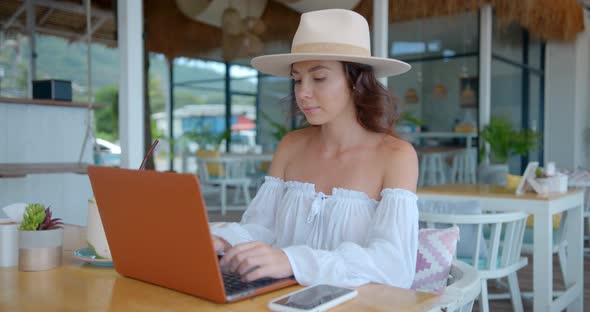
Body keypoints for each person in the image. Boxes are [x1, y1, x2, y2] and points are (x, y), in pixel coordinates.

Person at [211, 8, 419, 289]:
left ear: (356, 82)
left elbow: (393, 265)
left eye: (318, 77)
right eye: (297, 79)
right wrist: (224, 240)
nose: (302, 92)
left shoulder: (396, 156)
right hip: (274, 300)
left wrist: (293, 261)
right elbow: (262, 229)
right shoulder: (291, 145)